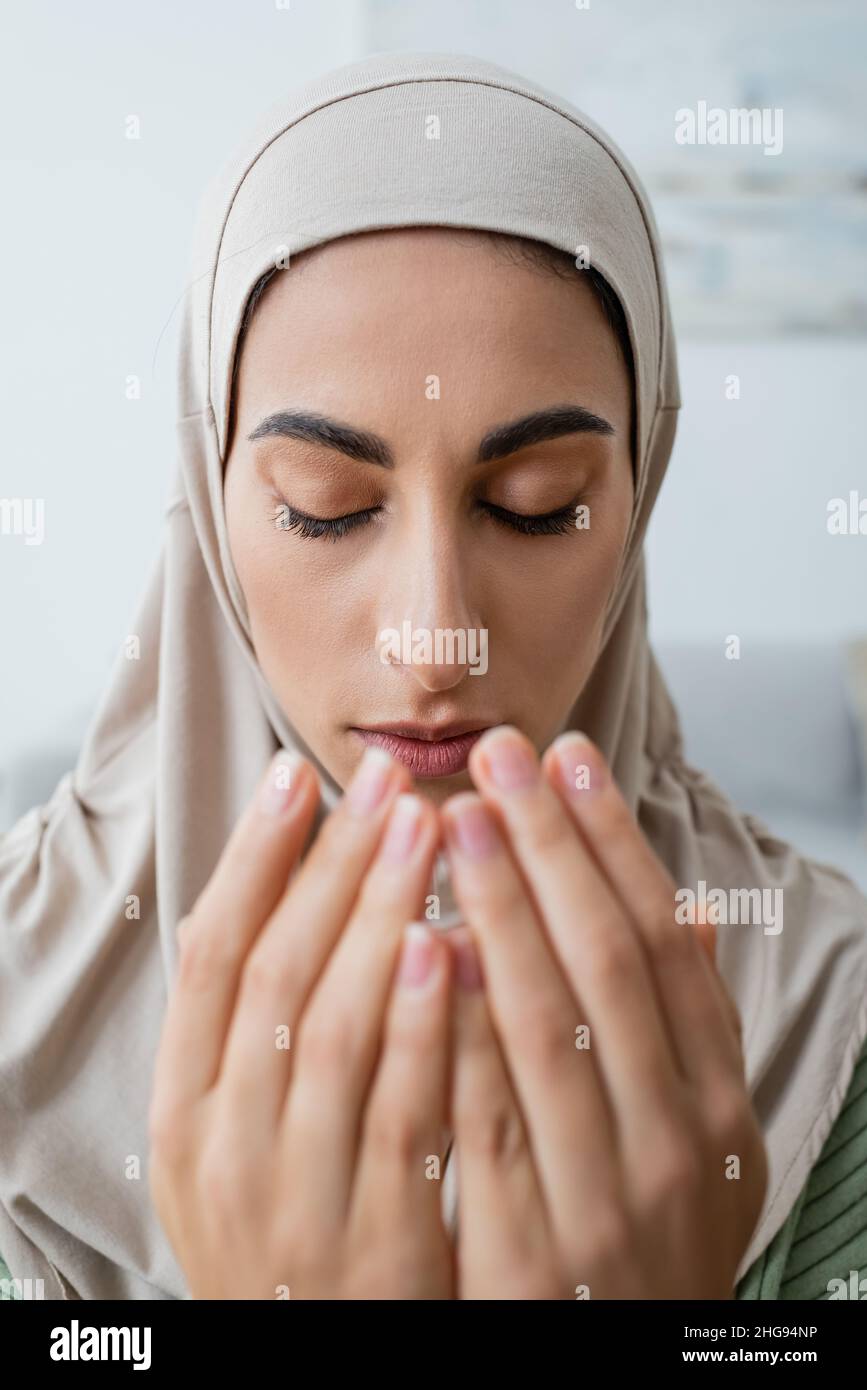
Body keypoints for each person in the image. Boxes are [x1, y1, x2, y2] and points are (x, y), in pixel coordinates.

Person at [1, 51, 866, 1301]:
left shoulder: (827, 1021)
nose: (434, 636)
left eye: (536, 506)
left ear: (639, 493)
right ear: (210, 494)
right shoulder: (24, 1008)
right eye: (324, 508)